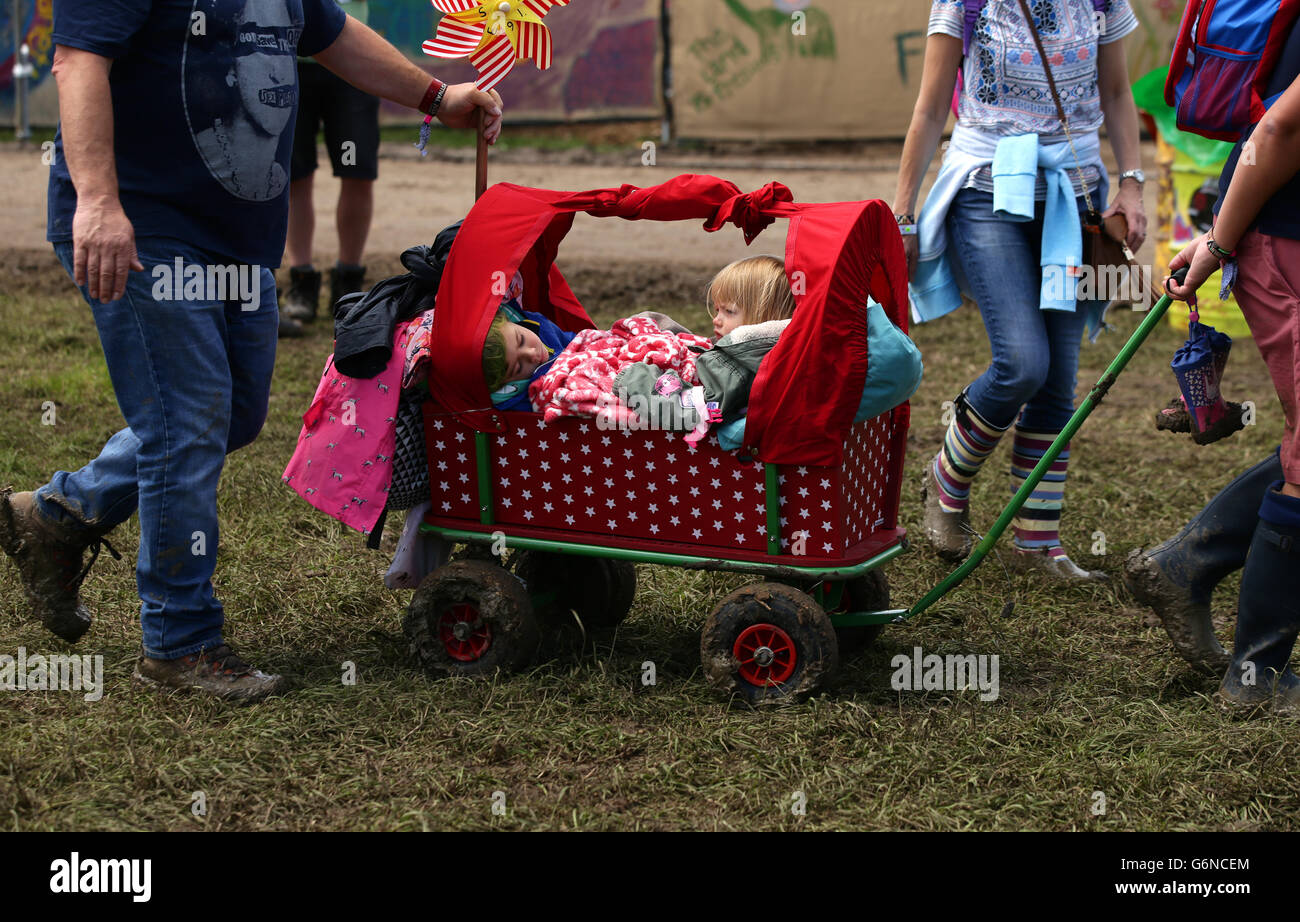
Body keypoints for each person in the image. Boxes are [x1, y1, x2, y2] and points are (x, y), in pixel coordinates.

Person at [0, 0, 503, 702]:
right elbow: (78, 61)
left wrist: (437, 95)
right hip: (143, 225)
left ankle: (59, 514)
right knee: (191, 420)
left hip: (237, 241)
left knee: (232, 416)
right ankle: (179, 643)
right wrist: (97, 202)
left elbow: (329, 34)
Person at [895, 0, 1147, 579]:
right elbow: (932, 108)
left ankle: (1037, 544)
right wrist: (904, 212)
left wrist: (1131, 185)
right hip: (986, 192)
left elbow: (1116, 94)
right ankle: (948, 477)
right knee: (1023, 363)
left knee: (1058, 379)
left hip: (1075, 198)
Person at [1138, 16, 1300, 714]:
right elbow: (1278, 133)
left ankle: (1186, 564)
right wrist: (1219, 246)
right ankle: (1256, 678)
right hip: (1283, 239)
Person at [280, 0, 379, 338]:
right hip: (288, 56)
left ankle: (348, 285)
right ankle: (301, 281)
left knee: (357, 172)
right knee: (295, 175)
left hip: (352, 56)